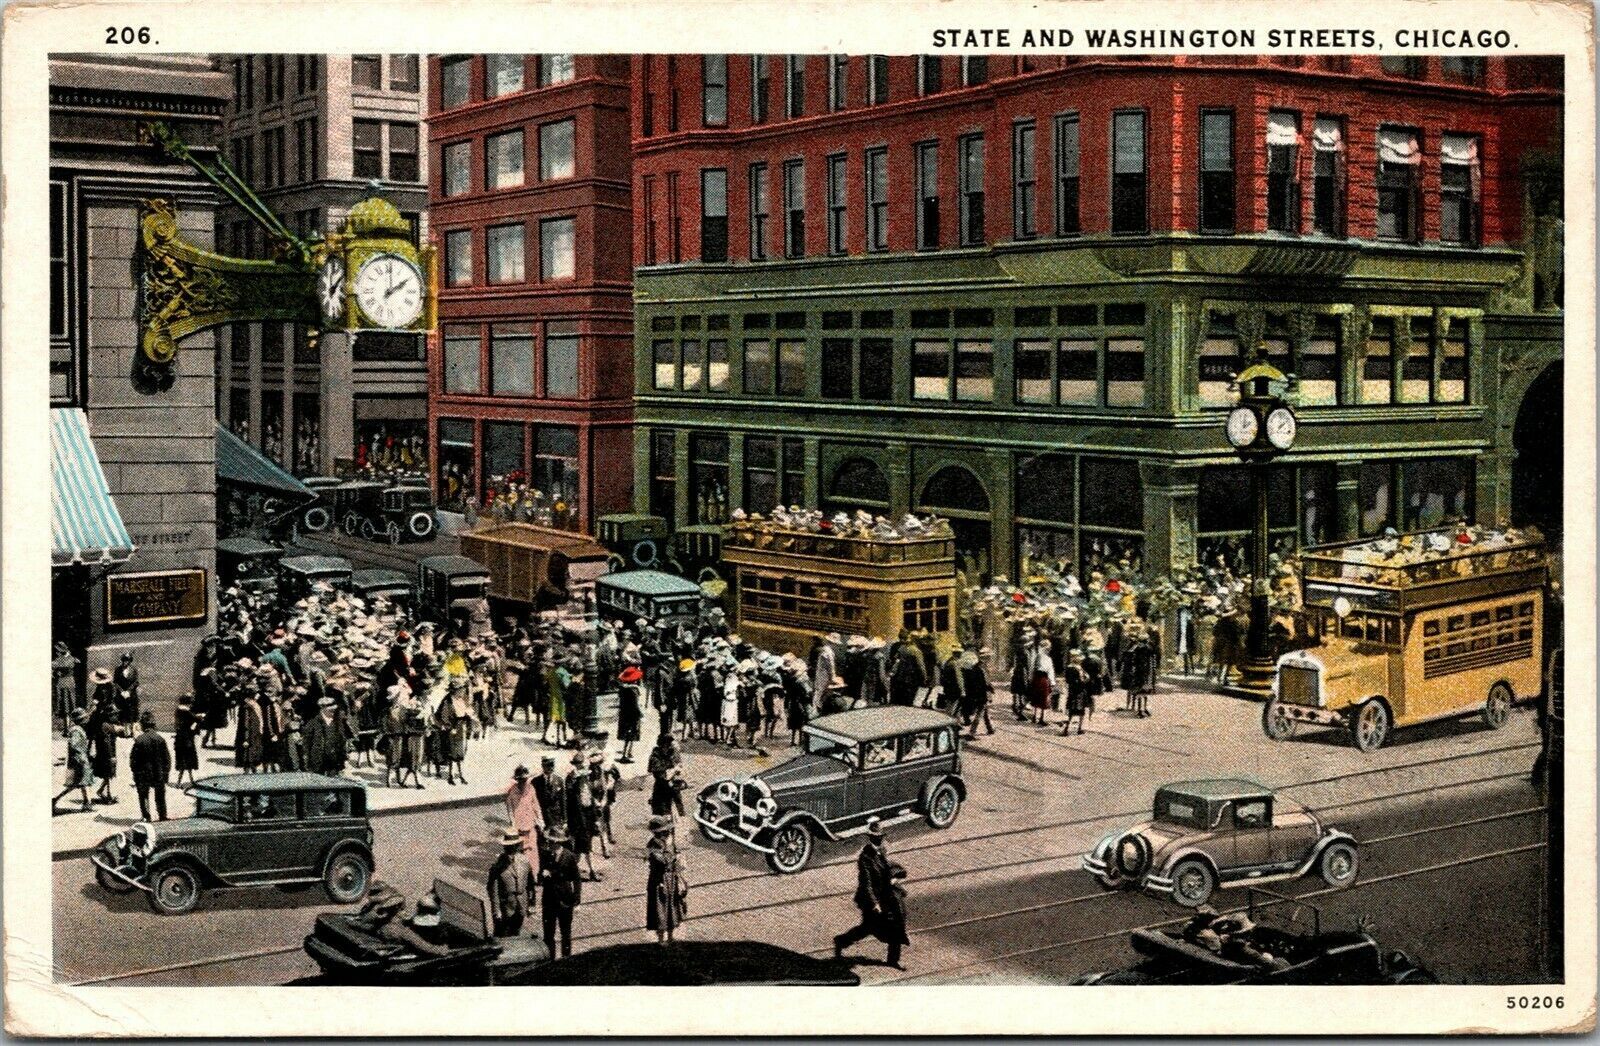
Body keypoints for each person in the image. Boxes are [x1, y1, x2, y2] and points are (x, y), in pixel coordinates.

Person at [833, 817, 909, 969]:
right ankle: (842, 941)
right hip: (870, 899)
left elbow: (886, 866)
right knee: (867, 928)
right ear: (871, 838)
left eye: (880, 837)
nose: (879, 840)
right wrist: (874, 904)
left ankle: (893, 960)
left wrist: (895, 875)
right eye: (876, 838)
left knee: (895, 923)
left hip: (885, 896)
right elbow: (866, 883)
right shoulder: (865, 858)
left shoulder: (882, 850)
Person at [539, 825, 582, 959]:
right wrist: (542, 875)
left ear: (557, 843)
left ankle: (566, 958)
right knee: (548, 933)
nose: (548, 844)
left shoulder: (569, 856)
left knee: (566, 932)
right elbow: (539, 877)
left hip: (565, 899)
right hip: (549, 900)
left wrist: (577, 899)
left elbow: (576, 879)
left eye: (551, 842)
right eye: (548, 841)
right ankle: (550, 960)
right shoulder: (545, 855)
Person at [645, 815, 688, 944]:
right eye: (665, 831)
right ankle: (660, 938)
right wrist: (673, 855)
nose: (668, 833)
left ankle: (670, 935)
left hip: (671, 879)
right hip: (660, 881)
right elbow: (664, 861)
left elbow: (676, 857)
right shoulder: (653, 845)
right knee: (660, 909)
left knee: (672, 907)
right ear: (657, 833)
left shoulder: (668, 842)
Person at [487, 828, 536, 938]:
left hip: (521, 905)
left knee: (517, 933)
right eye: (508, 847)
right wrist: (496, 911)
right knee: (503, 936)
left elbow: (530, 885)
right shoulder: (497, 866)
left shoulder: (524, 861)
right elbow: (493, 890)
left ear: (517, 846)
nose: (510, 850)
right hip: (506, 908)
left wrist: (532, 904)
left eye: (513, 846)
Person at [129, 710, 172, 822]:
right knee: (160, 796)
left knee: (143, 796)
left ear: (143, 725)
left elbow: (133, 759)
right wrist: (166, 773)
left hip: (143, 774)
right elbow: (167, 759)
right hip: (159, 773)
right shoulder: (160, 739)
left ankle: (146, 817)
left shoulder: (139, 740)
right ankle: (162, 816)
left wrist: (135, 773)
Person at [565, 751, 600, 880]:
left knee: (584, 846)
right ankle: (590, 871)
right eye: (578, 764)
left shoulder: (587, 782)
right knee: (583, 846)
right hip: (579, 819)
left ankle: (574, 870)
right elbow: (568, 795)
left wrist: (595, 819)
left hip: (588, 815)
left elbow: (591, 800)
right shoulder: (572, 779)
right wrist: (574, 779)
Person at [53, 708, 95, 814]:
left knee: (77, 783)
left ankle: (56, 799)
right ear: (80, 719)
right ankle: (87, 803)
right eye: (84, 718)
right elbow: (74, 744)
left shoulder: (77, 729)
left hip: (78, 759)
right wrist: (81, 756)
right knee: (82, 781)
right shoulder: (76, 730)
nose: (87, 719)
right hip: (78, 760)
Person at [504, 764, 545, 873]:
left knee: (533, 852)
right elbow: (510, 811)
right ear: (517, 780)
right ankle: (524, 878)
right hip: (519, 829)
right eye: (520, 780)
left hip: (530, 827)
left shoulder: (531, 789)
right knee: (521, 854)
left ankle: (534, 876)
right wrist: (513, 825)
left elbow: (536, 806)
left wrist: (540, 821)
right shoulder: (511, 792)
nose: (523, 782)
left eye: (524, 779)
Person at [302, 696, 350, 776]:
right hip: (318, 759)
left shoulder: (338, 722)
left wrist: (344, 758)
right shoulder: (313, 723)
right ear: (322, 708)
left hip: (334, 760)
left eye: (334, 710)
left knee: (333, 782)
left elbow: (342, 740)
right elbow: (307, 743)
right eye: (330, 710)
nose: (333, 712)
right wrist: (307, 761)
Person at [88, 699, 124, 805]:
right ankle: (107, 795)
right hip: (106, 755)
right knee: (108, 774)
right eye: (115, 714)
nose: (116, 716)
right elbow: (106, 742)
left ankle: (102, 792)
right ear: (110, 715)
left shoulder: (107, 725)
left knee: (108, 775)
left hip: (107, 754)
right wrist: (111, 756)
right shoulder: (106, 726)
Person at [648, 732, 686, 817]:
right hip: (661, 791)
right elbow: (663, 777)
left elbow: (679, 768)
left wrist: (676, 768)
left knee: (681, 815)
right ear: (664, 745)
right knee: (662, 818)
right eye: (669, 745)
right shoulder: (655, 757)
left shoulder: (671, 753)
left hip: (673, 789)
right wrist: (674, 770)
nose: (671, 747)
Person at [960, 649, 994, 738]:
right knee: (980, 712)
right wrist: (991, 689)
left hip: (977, 693)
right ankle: (972, 731)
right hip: (983, 694)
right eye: (989, 657)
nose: (990, 658)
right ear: (986, 657)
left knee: (985, 711)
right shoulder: (982, 668)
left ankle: (990, 728)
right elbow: (986, 683)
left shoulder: (975, 666)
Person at [616, 666, 644, 763]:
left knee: (628, 735)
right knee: (631, 735)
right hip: (633, 715)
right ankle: (625, 755)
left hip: (624, 714)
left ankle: (628, 752)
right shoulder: (633, 690)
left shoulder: (623, 689)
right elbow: (635, 705)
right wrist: (640, 714)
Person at [172, 692, 200, 788]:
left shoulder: (178, 711)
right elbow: (196, 719)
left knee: (182, 762)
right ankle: (189, 781)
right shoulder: (187, 712)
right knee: (188, 762)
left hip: (180, 738)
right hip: (187, 739)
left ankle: (180, 782)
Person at [533, 755, 567, 832]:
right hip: (542, 818)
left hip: (556, 818)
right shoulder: (535, 782)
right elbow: (533, 802)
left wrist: (565, 820)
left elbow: (563, 801)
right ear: (542, 766)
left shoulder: (559, 780)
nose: (550, 767)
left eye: (552, 765)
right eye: (548, 765)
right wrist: (536, 819)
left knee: (556, 839)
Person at [113, 652, 141, 727]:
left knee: (131, 712)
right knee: (122, 712)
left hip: (131, 695)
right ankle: (123, 729)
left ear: (129, 661)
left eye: (127, 660)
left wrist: (129, 691)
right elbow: (115, 682)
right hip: (121, 695)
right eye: (124, 660)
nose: (125, 662)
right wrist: (122, 691)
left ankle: (131, 729)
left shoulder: (133, 670)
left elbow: (136, 682)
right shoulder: (118, 669)